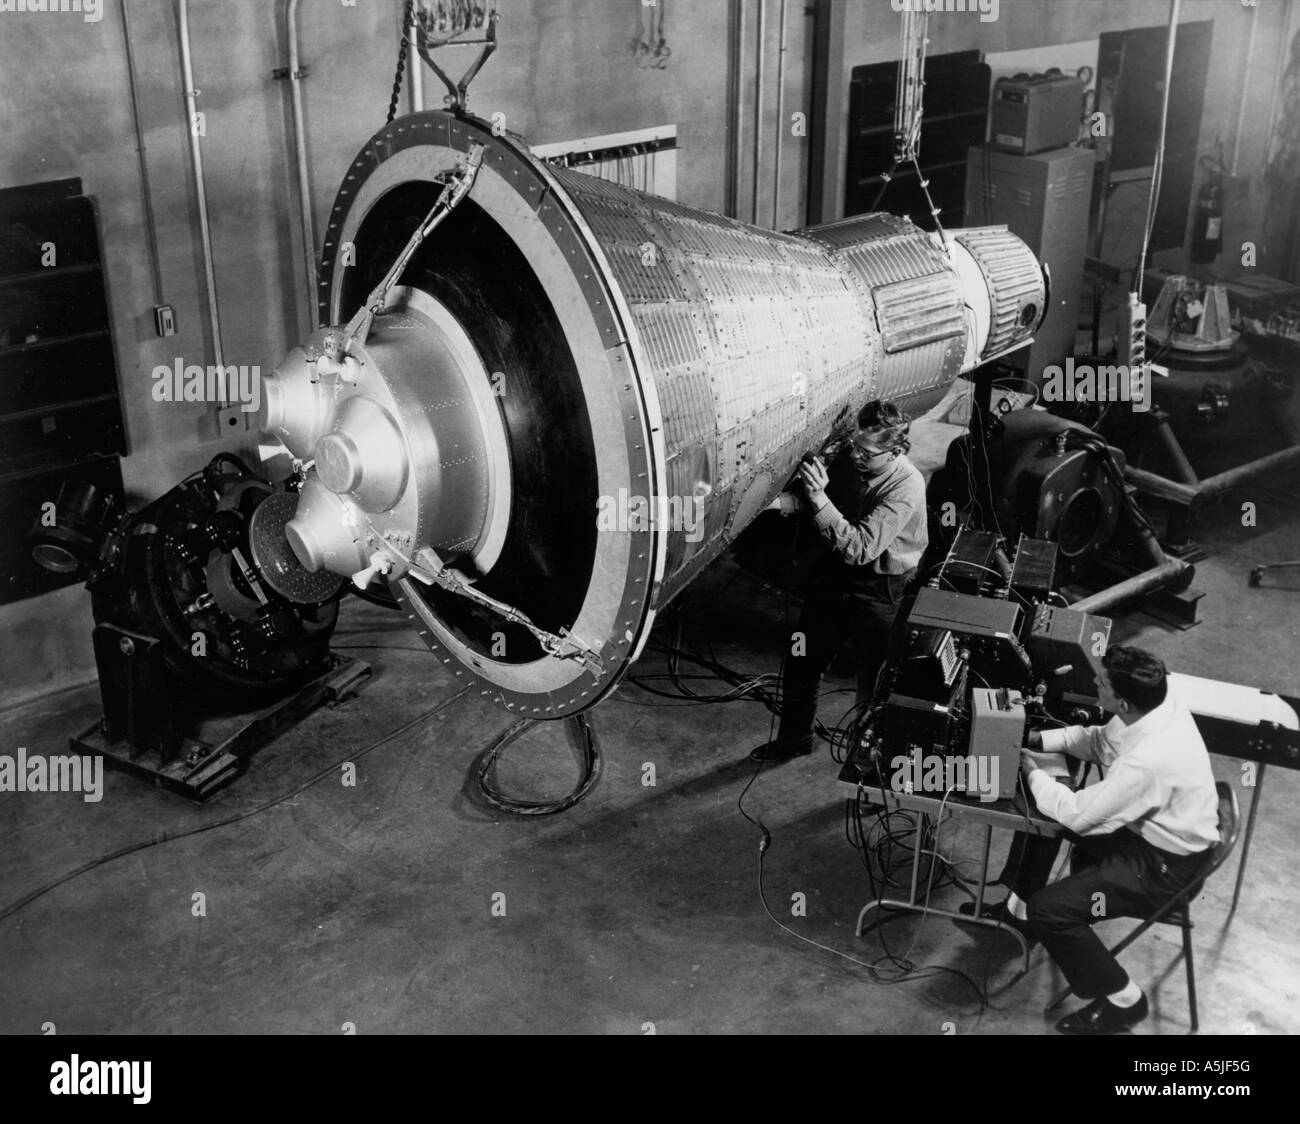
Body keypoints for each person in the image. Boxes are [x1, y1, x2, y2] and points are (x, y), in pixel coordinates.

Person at [967, 645, 1220, 1034]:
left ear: (1122, 700)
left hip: (1165, 866)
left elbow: (1079, 817)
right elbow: (1100, 741)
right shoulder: (1153, 705)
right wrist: (1037, 739)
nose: (1093, 683)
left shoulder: (1149, 758)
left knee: (1050, 907)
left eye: (1100, 682)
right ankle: (1018, 913)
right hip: (1155, 833)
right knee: (1041, 815)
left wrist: (1034, 773)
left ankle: (1125, 1000)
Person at [750, 399, 927, 764]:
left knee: (874, 685)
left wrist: (817, 497)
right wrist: (773, 503)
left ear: (895, 451)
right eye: (854, 445)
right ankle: (794, 739)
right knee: (801, 659)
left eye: (867, 452)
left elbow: (860, 548)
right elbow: (820, 502)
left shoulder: (907, 486)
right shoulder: (852, 457)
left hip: (881, 589)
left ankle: (868, 768)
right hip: (837, 577)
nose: (856, 456)